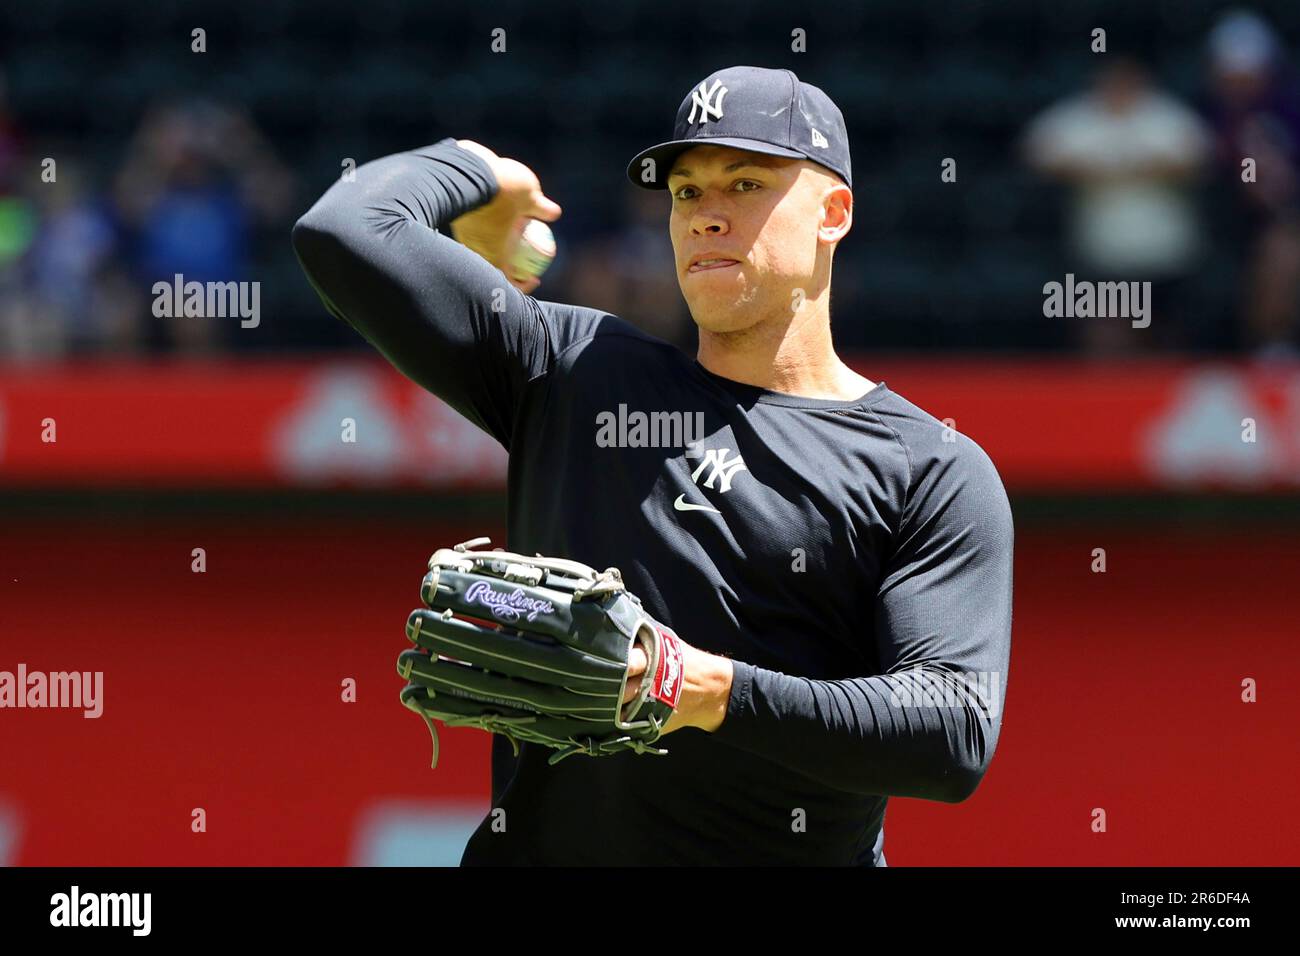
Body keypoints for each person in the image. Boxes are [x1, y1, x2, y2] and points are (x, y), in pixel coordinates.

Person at [292, 65, 1013, 866]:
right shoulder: (577, 371)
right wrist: (480, 170)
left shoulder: (926, 467)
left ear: (833, 212)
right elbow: (345, 230)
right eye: (685, 193)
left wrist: (694, 687)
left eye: (744, 183)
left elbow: (951, 731)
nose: (707, 216)